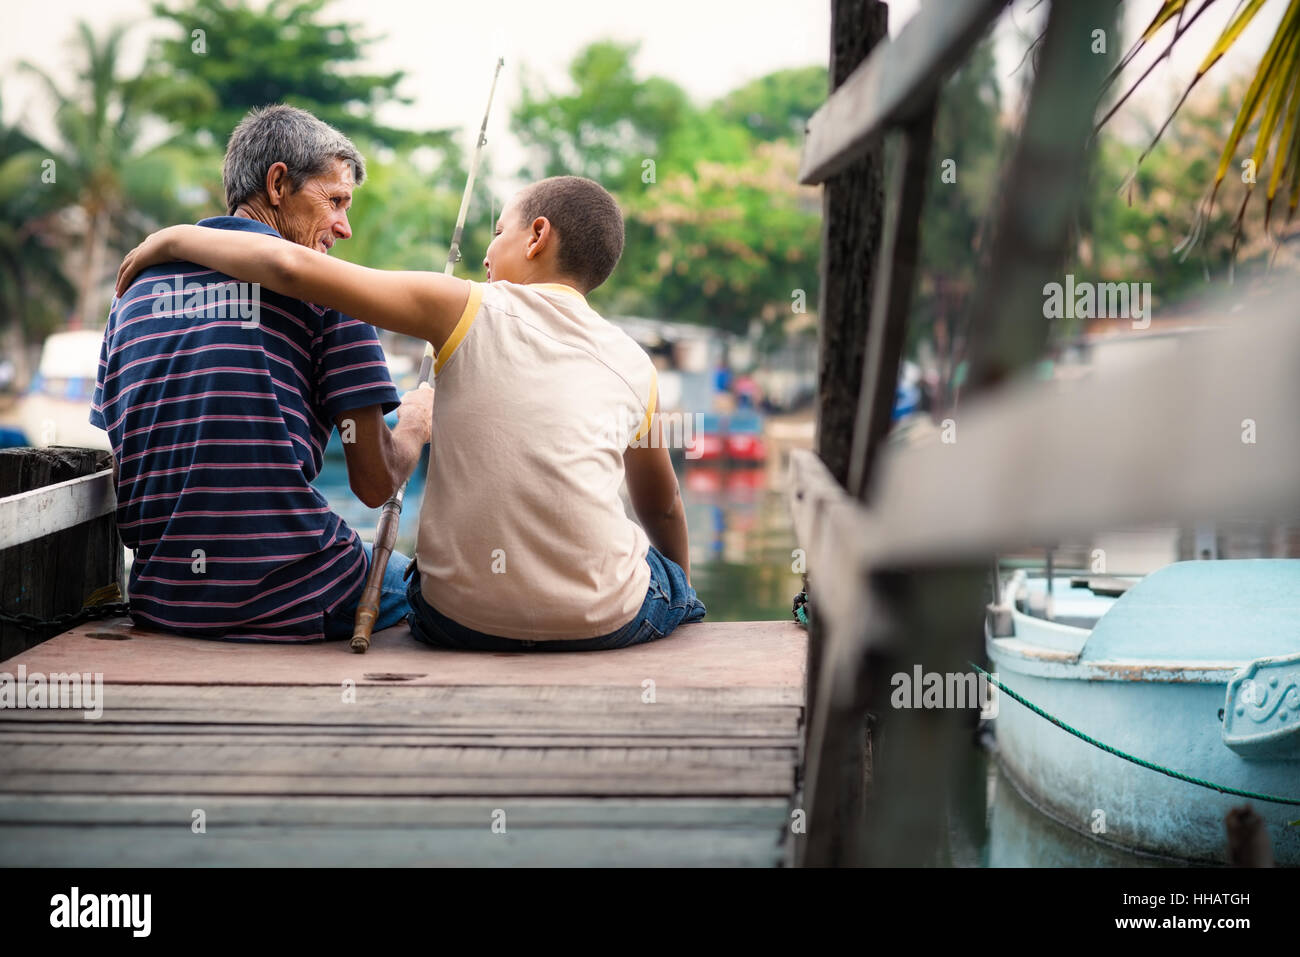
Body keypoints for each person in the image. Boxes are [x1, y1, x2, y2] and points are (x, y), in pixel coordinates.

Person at [116, 175, 705, 651]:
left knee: (418, 571)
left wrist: (169, 241)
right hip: (604, 621)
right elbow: (664, 504)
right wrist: (679, 585)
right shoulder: (635, 364)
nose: (485, 251)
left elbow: (295, 270)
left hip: (455, 620)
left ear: (537, 235)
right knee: (667, 578)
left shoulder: (464, 304)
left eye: (499, 232)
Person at [92, 105, 432, 642]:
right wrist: (416, 420)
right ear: (278, 184)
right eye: (335, 201)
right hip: (302, 590)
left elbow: (126, 445)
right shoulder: (330, 289)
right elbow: (372, 483)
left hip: (162, 600)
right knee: (433, 590)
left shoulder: (131, 293)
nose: (344, 228)